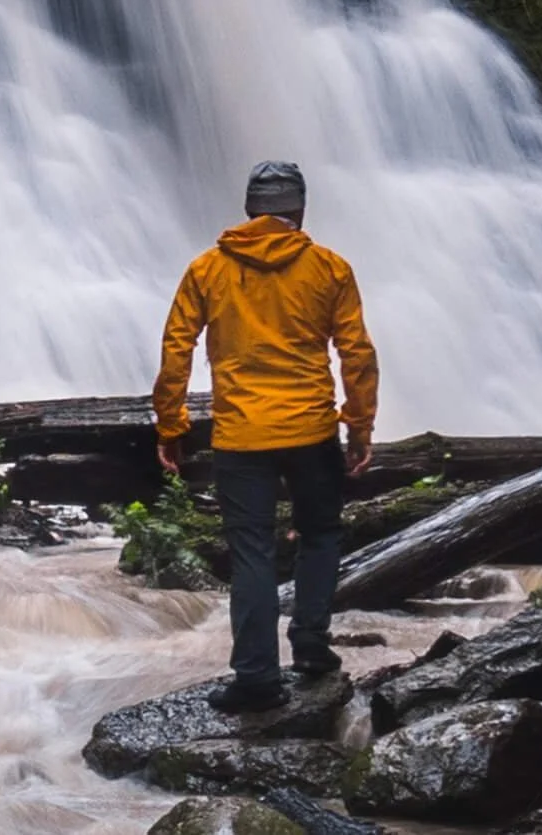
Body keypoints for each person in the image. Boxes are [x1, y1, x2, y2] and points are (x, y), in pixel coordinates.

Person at [153, 160, 380, 713]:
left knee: (251, 552)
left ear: (250, 211)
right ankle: (309, 645)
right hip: (311, 429)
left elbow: (176, 349)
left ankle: (255, 675)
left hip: (241, 435)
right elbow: (356, 353)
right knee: (320, 536)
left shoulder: (207, 270)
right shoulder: (329, 268)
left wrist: (171, 425)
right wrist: (359, 425)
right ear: (298, 211)